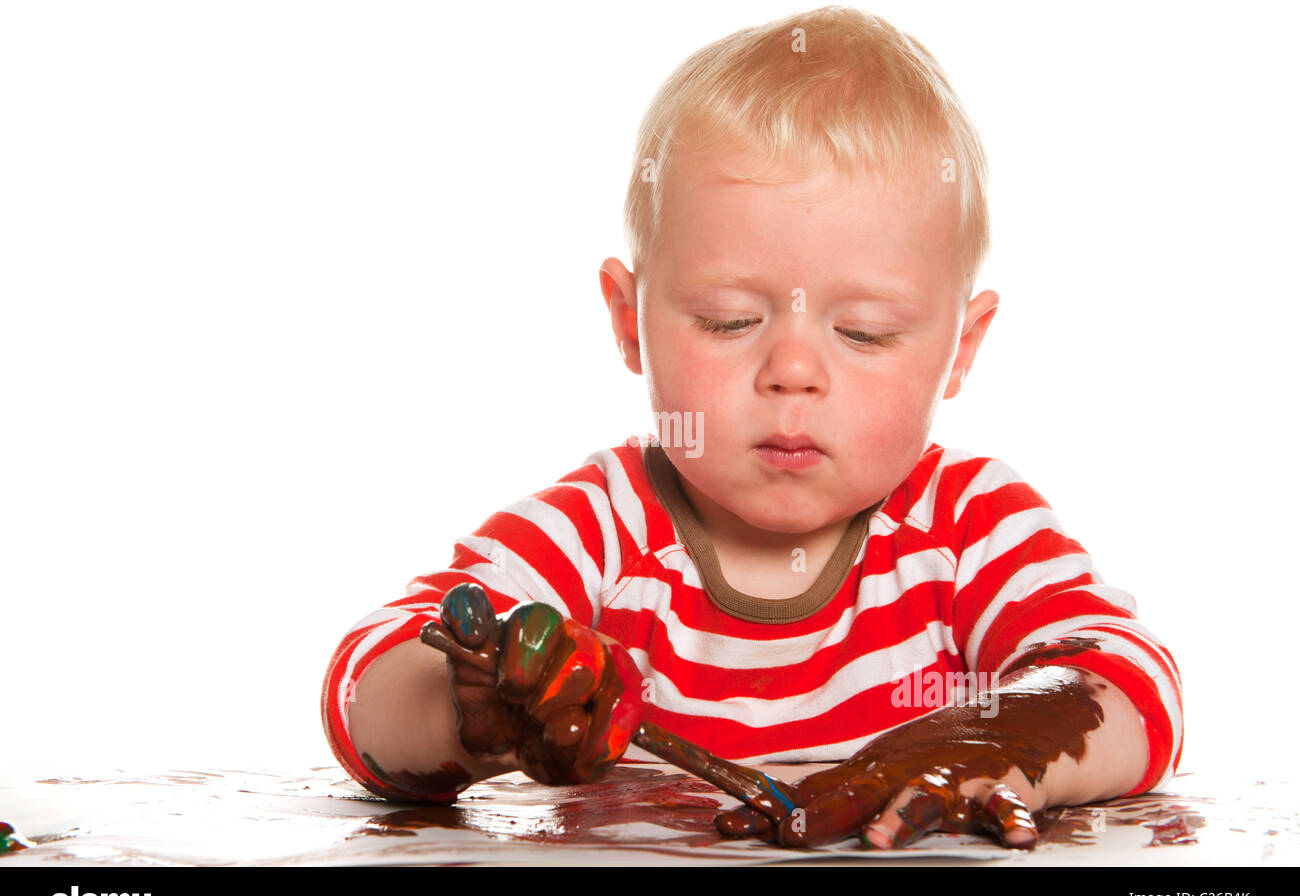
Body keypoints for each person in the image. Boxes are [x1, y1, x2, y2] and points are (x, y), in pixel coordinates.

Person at [320, 6, 1182, 850]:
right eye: (730, 320)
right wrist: (475, 715)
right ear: (629, 320)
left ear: (961, 347)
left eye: (865, 332)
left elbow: (1133, 680)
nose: (793, 372)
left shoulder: (968, 527)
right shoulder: (600, 530)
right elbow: (366, 680)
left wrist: (998, 744)